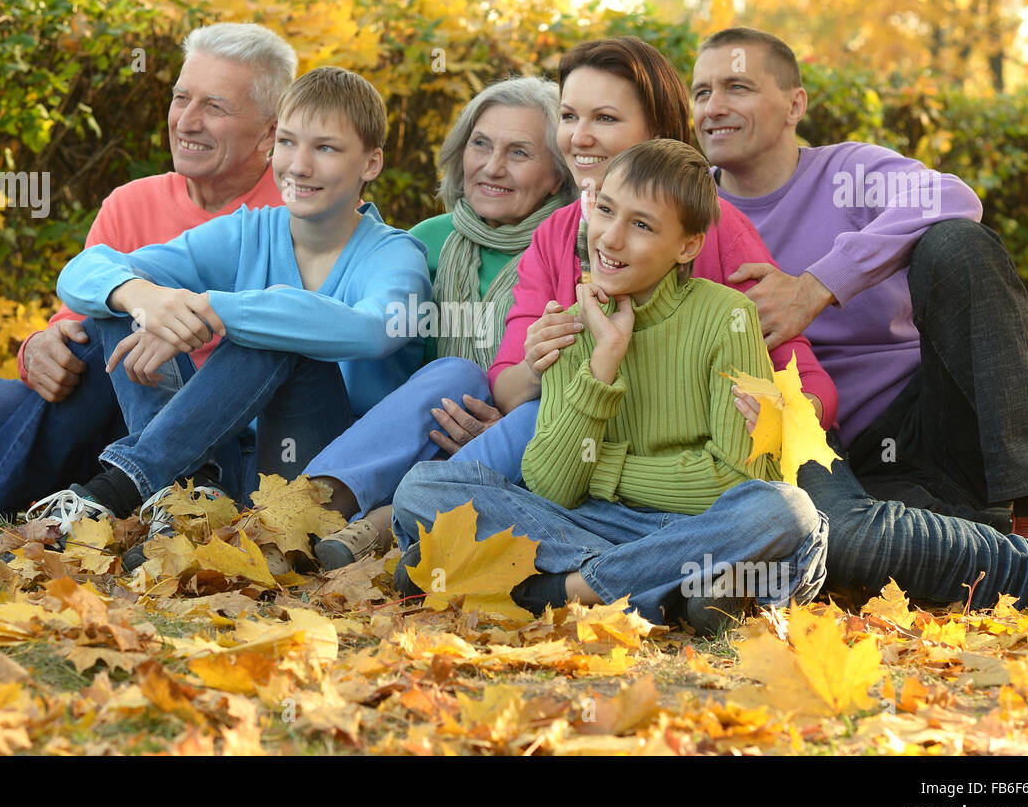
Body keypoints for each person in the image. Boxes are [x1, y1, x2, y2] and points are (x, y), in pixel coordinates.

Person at [312, 36, 838, 570]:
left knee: (783, 514)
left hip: (684, 480)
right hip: (570, 481)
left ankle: (514, 561)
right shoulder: (555, 235)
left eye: (605, 118)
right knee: (472, 447)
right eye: (568, 115)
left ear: (655, 134)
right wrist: (542, 375)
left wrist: (772, 422)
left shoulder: (716, 240)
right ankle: (361, 516)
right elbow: (510, 387)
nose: (580, 136)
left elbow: (806, 388)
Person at [691, 25, 1028, 609]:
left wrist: (819, 286)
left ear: (794, 104)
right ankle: (968, 526)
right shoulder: (685, 207)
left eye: (738, 87)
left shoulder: (847, 172)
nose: (714, 106)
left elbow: (953, 197)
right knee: (859, 531)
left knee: (957, 245)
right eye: (701, 93)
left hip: (927, 418)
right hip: (820, 458)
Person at [0, 23, 295, 528]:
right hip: (100, 412)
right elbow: (77, 331)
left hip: (221, 437)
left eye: (214, 107)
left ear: (270, 133)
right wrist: (40, 347)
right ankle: (101, 479)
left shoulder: (299, 215)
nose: (186, 122)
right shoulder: (132, 202)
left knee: (119, 335)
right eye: (180, 98)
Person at [392, 139, 828, 631]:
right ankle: (674, 585)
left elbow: (733, 480)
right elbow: (552, 486)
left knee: (786, 512)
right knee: (423, 488)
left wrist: (600, 471)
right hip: (590, 525)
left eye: (641, 225)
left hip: (695, 527)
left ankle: (566, 588)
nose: (611, 239)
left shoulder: (727, 317)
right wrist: (602, 363)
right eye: (605, 211)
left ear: (687, 246)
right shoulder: (573, 323)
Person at [30, 66, 430, 571]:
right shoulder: (248, 232)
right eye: (287, 142)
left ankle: (129, 481)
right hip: (231, 460)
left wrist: (221, 309)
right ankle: (187, 499)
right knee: (123, 306)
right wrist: (142, 298)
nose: (299, 165)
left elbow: (375, 330)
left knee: (275, 331)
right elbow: (85, 271)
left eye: (325, 149)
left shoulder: (395, 255)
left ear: (370, 162)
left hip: (318, 479)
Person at [303, 76, 575, 568]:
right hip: (409, 430)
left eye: (519, 153)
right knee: (456, 373)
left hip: (515, 452)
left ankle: (384, 524)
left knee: (531, 420)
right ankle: (306, 512)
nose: (492, 167)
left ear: (557, 174)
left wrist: (500, 430)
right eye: (481, 144)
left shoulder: (573, 251)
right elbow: (386, 375)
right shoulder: (426, 239)